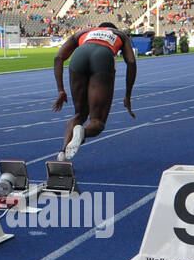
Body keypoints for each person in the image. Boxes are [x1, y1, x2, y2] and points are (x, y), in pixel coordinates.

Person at [51, 21, 137, 161]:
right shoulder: (119, 34)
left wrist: (61, 90)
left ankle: (63, 154)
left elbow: (58, 57)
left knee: (79, 115)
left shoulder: (83, 32)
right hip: (103, 56)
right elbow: (131, 62)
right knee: (97, 122)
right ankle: (82, 133)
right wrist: (128, 95)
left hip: (79, 55)